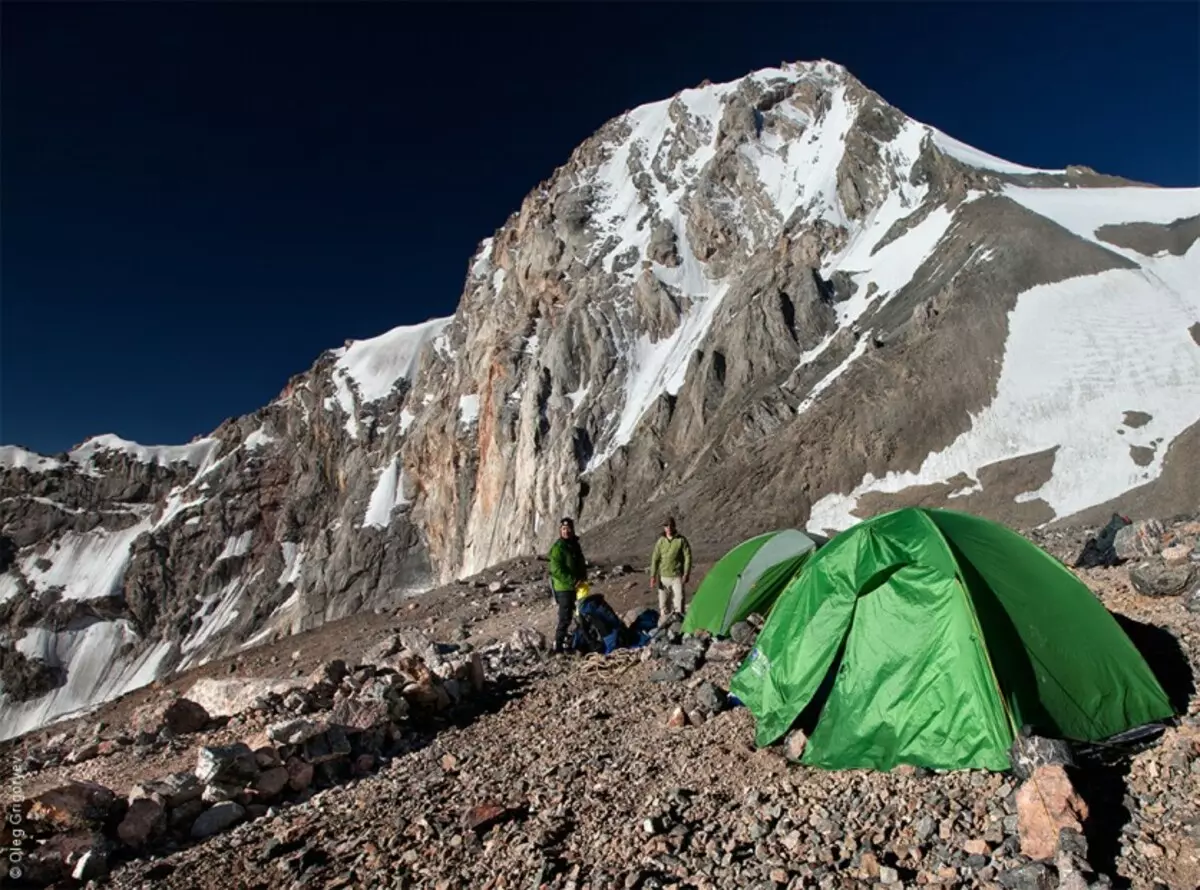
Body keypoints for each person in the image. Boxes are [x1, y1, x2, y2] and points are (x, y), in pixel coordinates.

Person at [548, 517, 587, 653]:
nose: (566, 531)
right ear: (560, 531)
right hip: (564, 588)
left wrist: (583, 578)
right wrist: (572, 580)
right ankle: (558, 647)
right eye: (564, 529)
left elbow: (580, 563)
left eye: (568, 529)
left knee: (580, 614)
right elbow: (556, 569)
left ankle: (577, 641)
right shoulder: (558, 548)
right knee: (565, 618)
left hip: (577, 586)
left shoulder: (574, 545)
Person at [649, 516, 692, 620]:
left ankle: (679, 623)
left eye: (670, 525)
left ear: (674, 526)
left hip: (677, 576)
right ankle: (665, 626)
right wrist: (653, 576)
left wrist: (686, 573)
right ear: (664, 528)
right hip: (663, 577)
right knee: (663, 605)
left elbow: (688, 556)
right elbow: (655, 558)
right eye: (666, 526)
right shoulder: (661, 541)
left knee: (679, 600)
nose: (668, 528)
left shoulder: (681, 540)